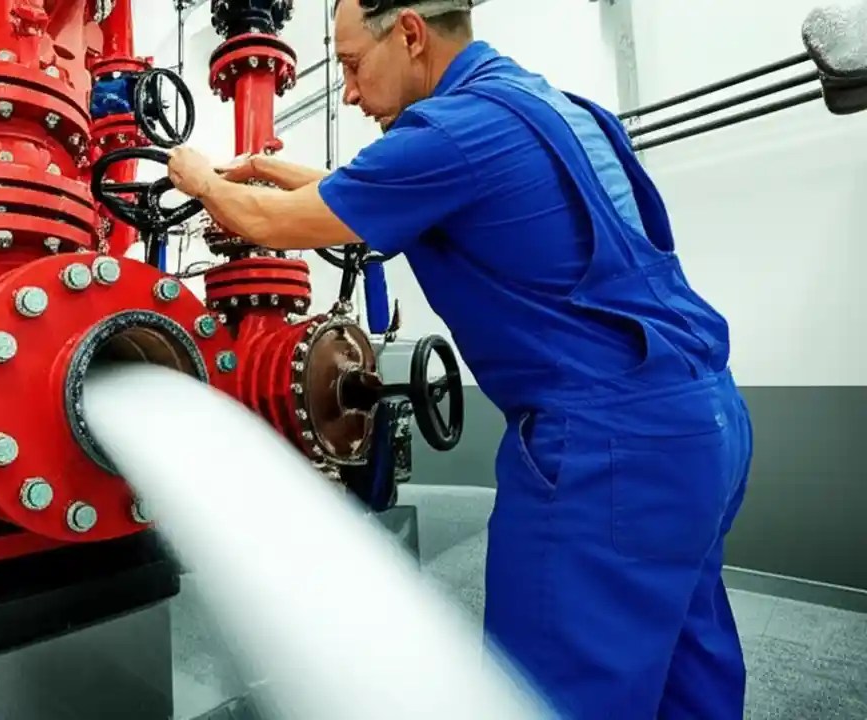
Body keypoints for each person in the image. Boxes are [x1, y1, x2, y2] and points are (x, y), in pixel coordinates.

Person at [165, 1, 753, 718]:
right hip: (708, 425)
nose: (347, 90)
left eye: (351, 65)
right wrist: (281, 172)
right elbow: (409, 183)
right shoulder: (563, 111)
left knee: (550, 697)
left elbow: (261, 223)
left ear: (410, 33)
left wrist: (198, 176)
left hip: (608, 454)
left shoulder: (444, 135)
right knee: (689, 674)